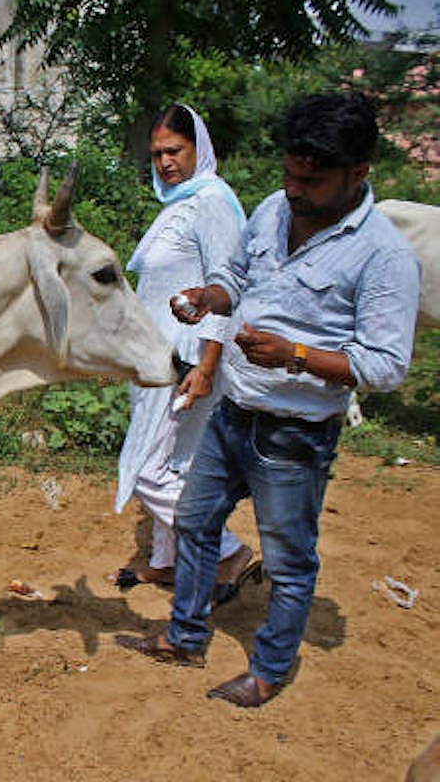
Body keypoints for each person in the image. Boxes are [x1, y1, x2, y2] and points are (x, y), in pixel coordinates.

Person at [116, 92, 420, 707]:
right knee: (196, 524)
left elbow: (386, 366)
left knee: (288, 559)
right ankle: (185, 636)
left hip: (296, 432)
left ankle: (269, 669)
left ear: (357, 174)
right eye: (289, 173)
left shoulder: (384, 255)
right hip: (234, 412)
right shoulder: (273, 210)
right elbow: (236, 277)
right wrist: (208, 298)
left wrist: (295, 356)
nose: (296, 189)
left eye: (312, 179)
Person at [109, 104, 256, 605]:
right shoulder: (179, 202)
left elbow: (225, 286)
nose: (166, 162)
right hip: (156, 358)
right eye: (157, 154)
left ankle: (228, 552)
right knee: (174, 463)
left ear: (199, 149)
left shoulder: (212, 201)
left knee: (148, 467)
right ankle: (165, 559)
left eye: (175, 150)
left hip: (189, 361)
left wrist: (209, 364)